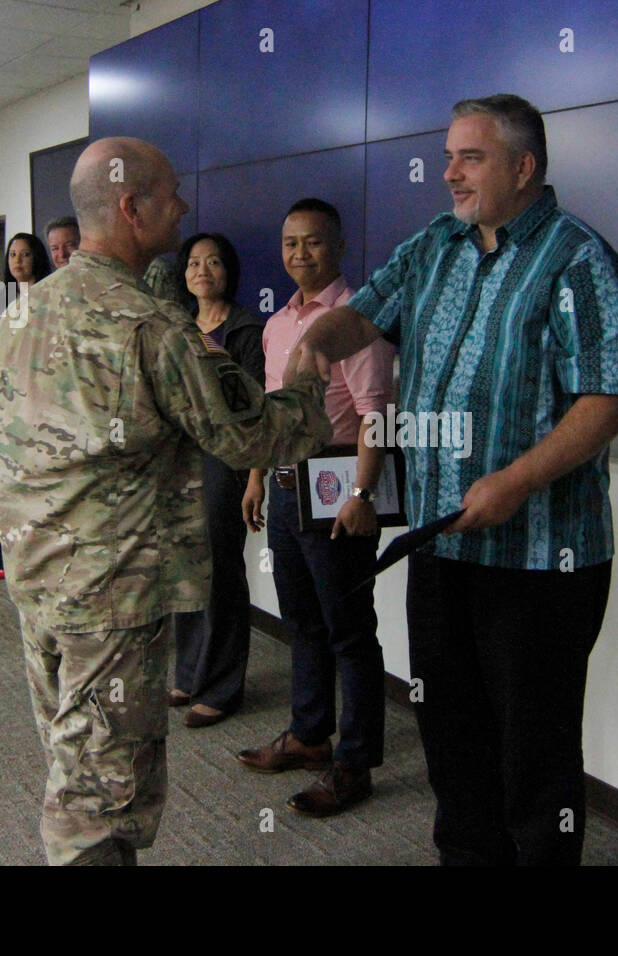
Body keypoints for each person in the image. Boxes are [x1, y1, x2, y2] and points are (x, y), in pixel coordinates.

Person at [286, 95, 618, 862]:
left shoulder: (581, 260)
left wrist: (516, 480)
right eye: (448, 155)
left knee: (533, 750)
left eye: (469, 157)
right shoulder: (434, 246)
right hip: (442, 545)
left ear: (524, 166)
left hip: (541, 559)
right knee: (451, 735)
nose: (448, 172)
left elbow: (610, 397)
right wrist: (319, 338)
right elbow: (367, 313)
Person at [0, 136, 332, 866]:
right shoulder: (151, 327)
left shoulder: (23, 313)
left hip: (40, 582)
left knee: (72, 756)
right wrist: (311, 377)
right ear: (132, 208)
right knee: (103, 801)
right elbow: (253, 435)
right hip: (110, 599)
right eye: (170, 192)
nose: (185, 205)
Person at [236, 199, 393, 817]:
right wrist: (255, 479)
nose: (300, 254)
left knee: (350, 630)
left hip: (335, 480)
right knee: (301, 618)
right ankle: (308, 735)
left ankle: (354, 764)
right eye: (290, 243)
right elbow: (269, 409)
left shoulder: (357, 320)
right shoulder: (279, 324)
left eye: (314, 243)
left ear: (338, 246)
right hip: (281, 480)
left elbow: (376, 416)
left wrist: (362, 495)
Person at [166, 233, 266, 729]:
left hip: (226, 463)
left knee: (222, 572)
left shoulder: (246, 328)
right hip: (181, 465)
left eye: (213, 262)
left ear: (228, 271)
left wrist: (255, 478)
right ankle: (188, 672)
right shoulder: (177, 326)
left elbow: (256, 413)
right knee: (185, 570)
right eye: (193, 262)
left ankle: (223, 686)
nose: (202, 270)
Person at [0, 233, 52, 580]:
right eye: (13, 255)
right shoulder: (0, 297)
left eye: (25, 254)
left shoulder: (48, 295)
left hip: (37, 402)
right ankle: (4, 560)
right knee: (2, 480)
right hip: (2, 401)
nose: (18, 261)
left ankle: (38, 557)